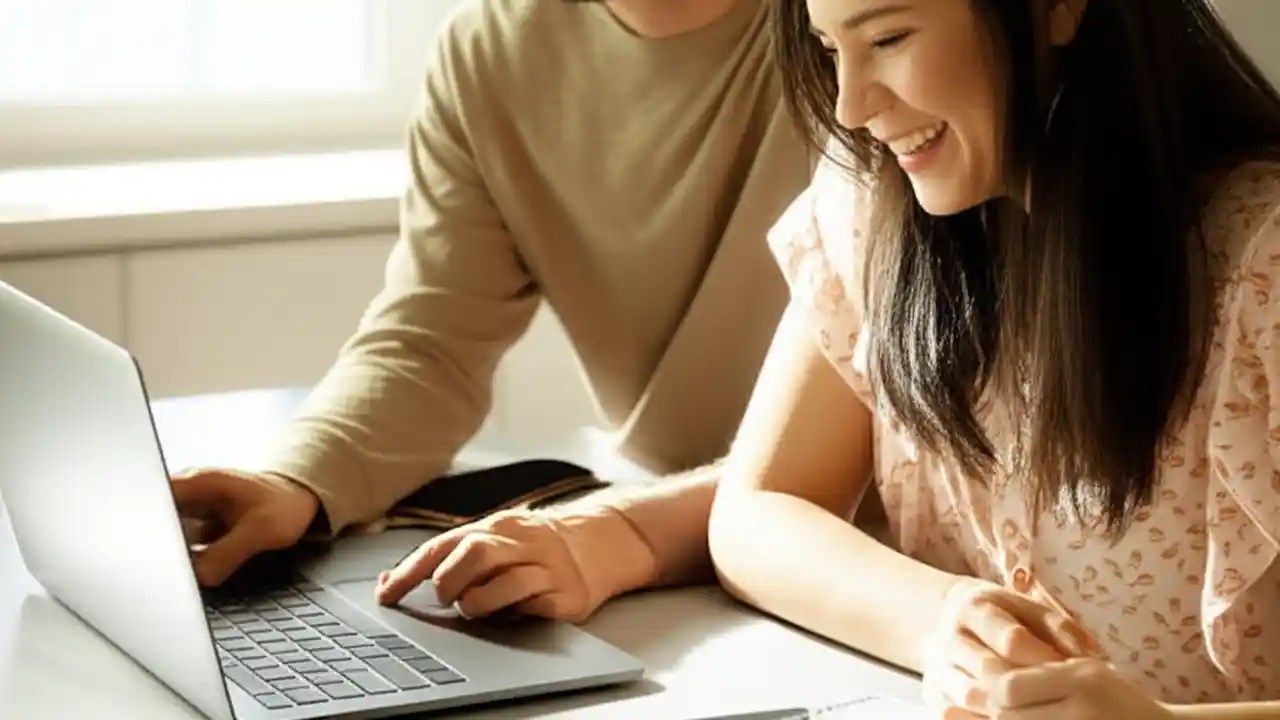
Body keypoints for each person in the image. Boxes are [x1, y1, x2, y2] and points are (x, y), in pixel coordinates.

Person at [708, 0, 1280, 716]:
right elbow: (757, 512)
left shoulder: (1264, 265)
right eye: (828, 50)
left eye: (887, 38)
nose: (852, 106)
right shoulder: (872, 213)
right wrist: (946, 620)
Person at [169, 0, 817, 624]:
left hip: (836, 543)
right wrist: (297, 479)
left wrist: (617, 535)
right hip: (659, 537)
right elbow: (432, 345)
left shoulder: (857, 29)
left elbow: (891, 433)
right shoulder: (490, 49)